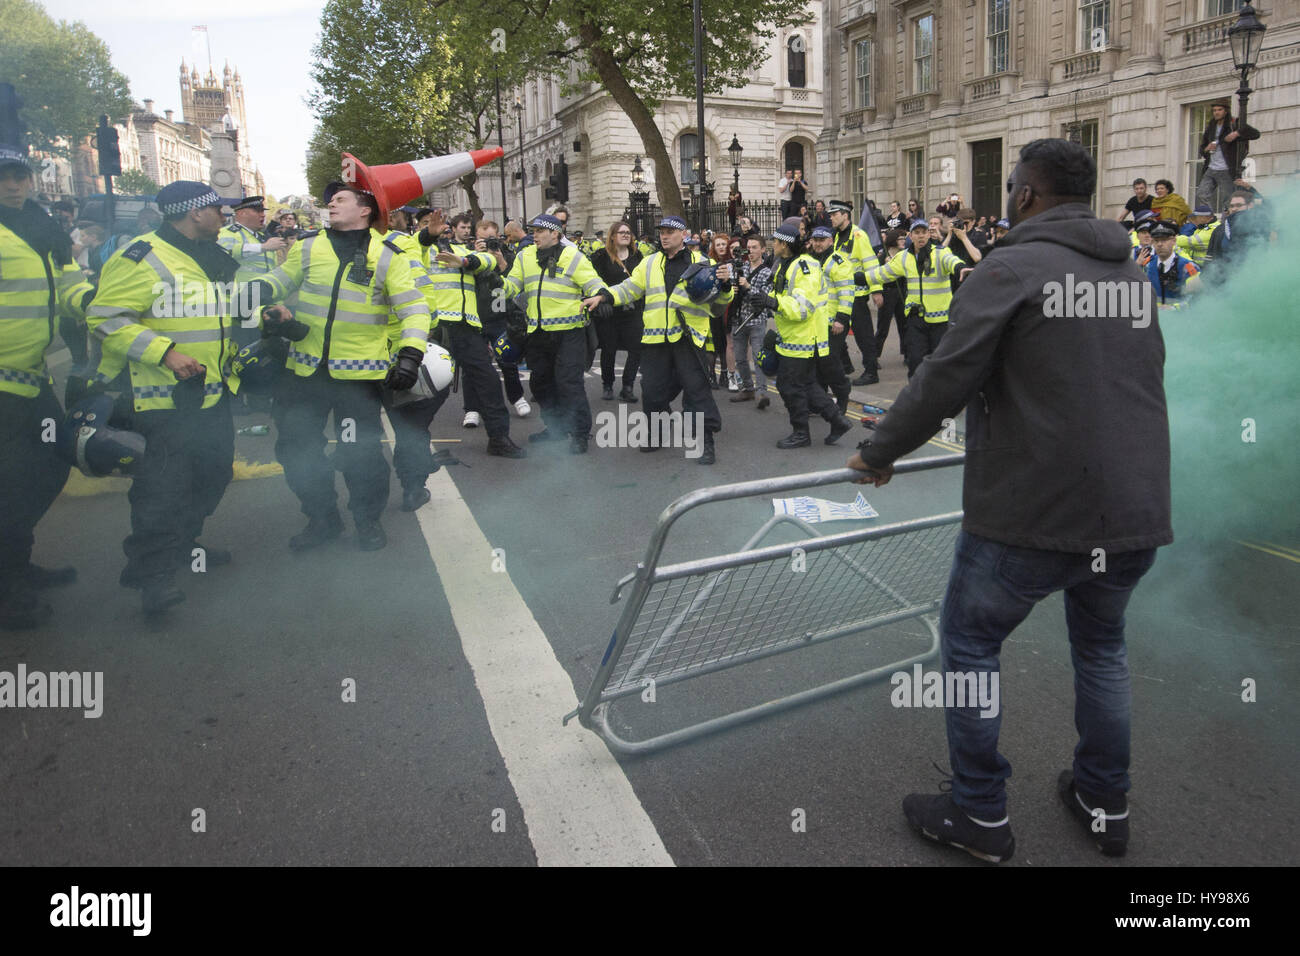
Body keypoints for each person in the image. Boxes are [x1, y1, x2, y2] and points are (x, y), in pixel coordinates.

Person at [848, 137, 1171, 864]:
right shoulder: (1129, 271)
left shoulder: (1013, 265)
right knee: (1102, 648)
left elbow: (943, 376)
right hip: (1132, 508)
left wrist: (877, 452)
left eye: (1012, 187)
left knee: (970, 644)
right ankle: (1102, 799)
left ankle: (980, 812)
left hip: (1033, 509)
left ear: (1025, 193)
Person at [86, 181, 248, 614]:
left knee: (212, 475)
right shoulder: (141, 255)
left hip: (211, 395)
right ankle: (151, 575)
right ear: (194, 213)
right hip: (161, 401)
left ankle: (182, 543)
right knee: (162, 489)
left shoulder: (208, 255)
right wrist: (165, 352)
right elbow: (102, 318)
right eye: (217, 208)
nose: (223, 215)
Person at [257, 181, 437, 552]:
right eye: (330, 201)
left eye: (340, 200)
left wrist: (410, 355)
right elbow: (276, 283)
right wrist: (259, 299)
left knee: (360, 454)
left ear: (365, 210)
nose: (332, 205)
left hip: (357, 379)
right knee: (296, 448)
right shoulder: (307, 248)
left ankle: (367, 520)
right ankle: (322, 518)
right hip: (304, 372)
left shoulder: (388, 256)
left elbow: (415, 310)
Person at [0, 145, 88, 629]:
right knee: (11, 483)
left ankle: (16, 563)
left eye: (20, 177)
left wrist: (96, 302)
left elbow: (70, 286)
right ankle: (8, 586)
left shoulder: (42, 230)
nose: (13, 186)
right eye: (4, 179)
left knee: (53, 463)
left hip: (29, 378)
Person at [599, 215, 733, 465]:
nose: (664, 235)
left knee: (696, 392)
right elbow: (629, 288)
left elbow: (717, 306)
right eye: (662, 231)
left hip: (688, 338)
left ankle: (705, 443)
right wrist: (605, 296)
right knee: (652, 392)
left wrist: (726, 287)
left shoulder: (704, 263)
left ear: (684, 235)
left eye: (671, 231)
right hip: (655, 339)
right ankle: (658, 433)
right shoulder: (650, 263)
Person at [416, 211, 524, 455]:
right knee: (433, 387)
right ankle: (413, 439)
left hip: (467, 328)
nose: (440, 229)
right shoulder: (422, 251)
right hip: (439, 327)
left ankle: (499, 439)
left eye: (443, 226)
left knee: (489, 382)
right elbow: (416, 249)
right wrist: (426, 236)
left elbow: (488, 262)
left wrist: (464, 262)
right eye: (431, 226)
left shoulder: (465, 251)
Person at [502, 213, 609, 454]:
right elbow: (511, 286)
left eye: (540, 231)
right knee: (541, 385)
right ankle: (556, 428)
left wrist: (600, 295)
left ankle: (580, 433)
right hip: (538, 332)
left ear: (555, 234)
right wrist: (493, 281)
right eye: (533, 230)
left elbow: (593, 282)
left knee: (569, 384)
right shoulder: (524, 256)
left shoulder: (573, 256)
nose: (535, 235)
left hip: (569, 332)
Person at [751, 217, 852, 449]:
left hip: (803, 338)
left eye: (775, 241)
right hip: (791, 336)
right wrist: (766, 302)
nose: (772, 244)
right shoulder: (784, 264)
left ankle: (801, 433)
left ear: (785, 244)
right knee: (806, 383)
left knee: (789, 386)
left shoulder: (804, 267)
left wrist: (773, 303)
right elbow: (784, 296)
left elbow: (802, 308)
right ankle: (838, 421)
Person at [864, 219, 966, 377]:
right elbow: (881, 274)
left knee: (939, 365)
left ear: (928, 234)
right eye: (917, 233)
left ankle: (937, 398)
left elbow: (951, 261)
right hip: (915, 319)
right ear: (910, 236)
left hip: (940, 321)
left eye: (924, 232)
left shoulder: (940, 252)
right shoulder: (903, 257)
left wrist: (960, 267)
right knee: (915, 363)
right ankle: (917, 397)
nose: (921, 236)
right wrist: (859, 278)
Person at [218, 196, 287, 346]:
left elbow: (272, 273)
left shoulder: (261, 237)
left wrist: (279, 303)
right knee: (245, 350)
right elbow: (223, 252)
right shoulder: (229, 233)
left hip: (266, 306)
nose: (262, 215)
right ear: (241, 213)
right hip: (242, 306)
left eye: (263, 211)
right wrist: (261, 248)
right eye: (257, 211)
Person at [588, 221, 644, 403]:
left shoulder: (637, 256)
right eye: (622, 232)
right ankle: (608, 384)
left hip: (633, 311)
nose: (626, 235)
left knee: (636, 349)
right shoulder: (601, 257)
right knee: (609, 349)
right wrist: (600, 298)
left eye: (628, 232)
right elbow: (592, 281)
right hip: (609, 312)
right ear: (612, 236)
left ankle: (628, 386)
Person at [806, 225, 855, 416]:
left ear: (830, 241)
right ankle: (820, 401)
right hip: (815, 322)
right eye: (815, 240)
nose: (818, 244)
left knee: (830, 362)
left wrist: (841, 319)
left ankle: (842, 395)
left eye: (821, 240)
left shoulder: (838, 261)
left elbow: (846, 292)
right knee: (817, 362)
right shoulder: (810, 260)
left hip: (834, 323)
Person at [827, 199, 877, 384]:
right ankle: (846, 367)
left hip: (857, 295)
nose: (831, 217)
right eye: (830, 214)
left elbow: (870, 263)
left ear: (845, 215)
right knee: (836, 334)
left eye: (834, 214)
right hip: (840, 297)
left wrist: (877, 290)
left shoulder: (858, 235)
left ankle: (871, 372)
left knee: (864, 337)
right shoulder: (836, 236)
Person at [730, 234, 774, 409]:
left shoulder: (767, 272)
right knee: (740, 358)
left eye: (755, 247)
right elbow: (732, 290)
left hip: (757, 319)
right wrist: (732, 287)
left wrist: (748, 286)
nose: (751, 251)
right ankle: (748, 388)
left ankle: (761, 392)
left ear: (763, 249)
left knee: (758, 357)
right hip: (739, 317)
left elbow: (763, 297)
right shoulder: (740, 267)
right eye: (749, 247)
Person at [1195, 100, 1260, 215]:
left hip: (1226, 169)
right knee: (1201, 194)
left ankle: (1227, 223)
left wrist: (1237, 133)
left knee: (1228, 200)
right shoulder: (1211, 127)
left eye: (1219, 110)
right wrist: (1207, 148)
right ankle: (1211, 219)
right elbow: (1202, 148)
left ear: (1226, 111)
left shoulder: (1234, 123)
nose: (1216, 112)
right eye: (1214, 110)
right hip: (1211, 168)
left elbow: (1255, 134)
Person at [1145, 220, 1200, 307]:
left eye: (1164, 240)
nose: (1159, 244)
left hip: (1179, 317)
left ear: (1174, 241)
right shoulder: (1148, 265)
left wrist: (1174, 308)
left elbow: (1197, 298)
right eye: (1156, 240)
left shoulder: (1188, 267)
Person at [873, 228, 908, 364]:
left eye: (904, 238)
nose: (903, 241)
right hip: (888, 293)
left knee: (904, 325)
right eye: (900, 239)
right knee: (883, 327)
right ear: (893, 240)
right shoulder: (883, 255)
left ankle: (907, 355)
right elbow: (876, 275)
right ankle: (874, 357)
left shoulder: (904, 255)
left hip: (901, 293)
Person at [708, 234, 737, 390]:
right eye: (717, 244)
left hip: (728, 307)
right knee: (713, 343)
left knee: (726, 343)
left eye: (723, 244)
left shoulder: (731, 264)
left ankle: (724, 374)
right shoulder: (709, 263)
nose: (721, 247)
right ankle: (711, 374)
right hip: (712, 306)